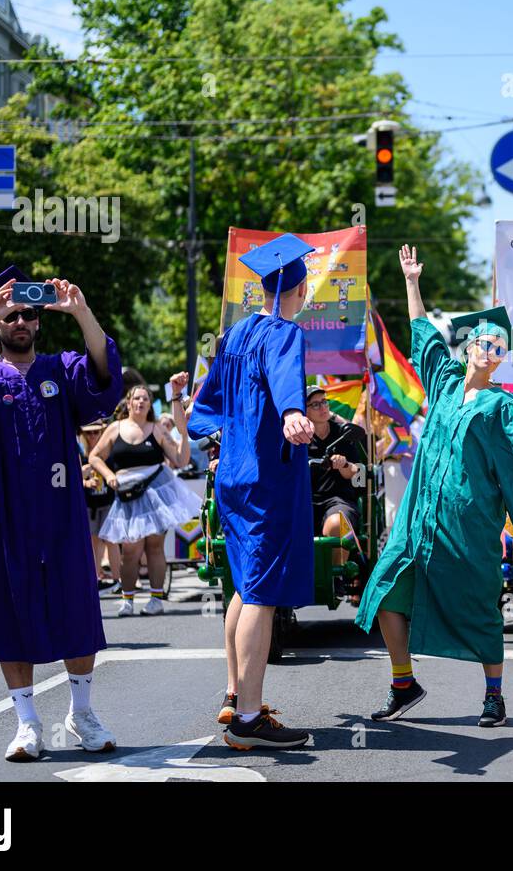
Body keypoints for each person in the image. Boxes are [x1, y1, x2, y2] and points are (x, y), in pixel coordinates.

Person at [355, 247, 513, 728]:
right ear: (468, 346)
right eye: (483, 343)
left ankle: (494, 695)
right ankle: (404, 682)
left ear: (502, 361)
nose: (489, 351)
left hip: (469, 523)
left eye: (499, 348)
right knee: (384, 592)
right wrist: (412, 283)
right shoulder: (442, 381)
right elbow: (422, 336)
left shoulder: (502, 408)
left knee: (480, 608)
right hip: (419, 519)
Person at [0, 267, 122, 762]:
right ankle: (26, 723)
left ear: (39, 322)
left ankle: (81, 713)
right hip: (5, 519)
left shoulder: (60, 369)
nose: (19, 320)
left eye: (26, 313)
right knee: (9, 612)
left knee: (76, 609)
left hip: (60, 515)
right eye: (9, 314)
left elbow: (103, 377)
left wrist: (82, 312)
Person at [187, 234, 317, 750]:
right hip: (267, 476)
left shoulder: (235, 334)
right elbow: (286, 381)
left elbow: (206, 411)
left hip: (233, 473)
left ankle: (234, 691)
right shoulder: (285, 333)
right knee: (261, 593)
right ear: (299, 288)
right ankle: (247, 719)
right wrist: (290, 413)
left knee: (244, 585)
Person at [89, 375, 192, 616]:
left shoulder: (156, 429)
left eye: (145, 399)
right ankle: (128, 600)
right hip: (126, 493)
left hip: (155, 490)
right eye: (136, 398)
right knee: (131, 550)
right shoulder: (115, 428)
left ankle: (156, 599)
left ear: (150, 404)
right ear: (129, 402)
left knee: (155, 547)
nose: (141, 402)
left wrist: (184, 435)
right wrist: (108, 475)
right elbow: (94, 456)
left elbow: (180, 460)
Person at [305, 385, 370, 563]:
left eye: (324, 402)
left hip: (338, 500)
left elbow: (356, 471)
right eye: (315, 405)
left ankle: (337, 578)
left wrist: (343, 465)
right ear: (304, 411)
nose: (323, 407)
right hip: (303, 501)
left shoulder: (342, 434)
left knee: (336, 524)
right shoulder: (297, 437)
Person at [79, 421, 119, 591]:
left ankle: (118, 579)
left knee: (112, 540)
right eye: (89, 433)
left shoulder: (108, 451)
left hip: (109, 502)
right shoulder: (80, 454)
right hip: (90, 505)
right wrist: (85, 481)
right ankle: (96, 577)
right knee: (94, 541)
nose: (92, 436)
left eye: (96, 432)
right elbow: (68, 479)